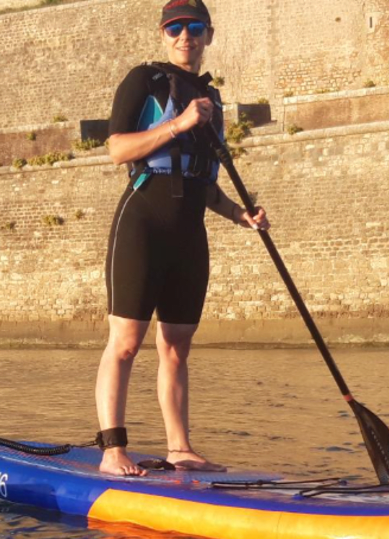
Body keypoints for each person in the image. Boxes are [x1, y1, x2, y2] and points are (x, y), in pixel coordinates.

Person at [95, 0, 269, 476]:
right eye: (175, 28)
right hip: (143, 221)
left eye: (194, 28)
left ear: (208, 35)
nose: (184, 36)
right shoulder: (144, 81)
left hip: (190, 231)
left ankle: (180, 448)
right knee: (126, 341)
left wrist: (240, 213)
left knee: (176, 346)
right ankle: (113, 450)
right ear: (164, 35)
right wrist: (178, 123)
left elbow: (203, 180)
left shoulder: (213, 104)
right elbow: (116, 150)